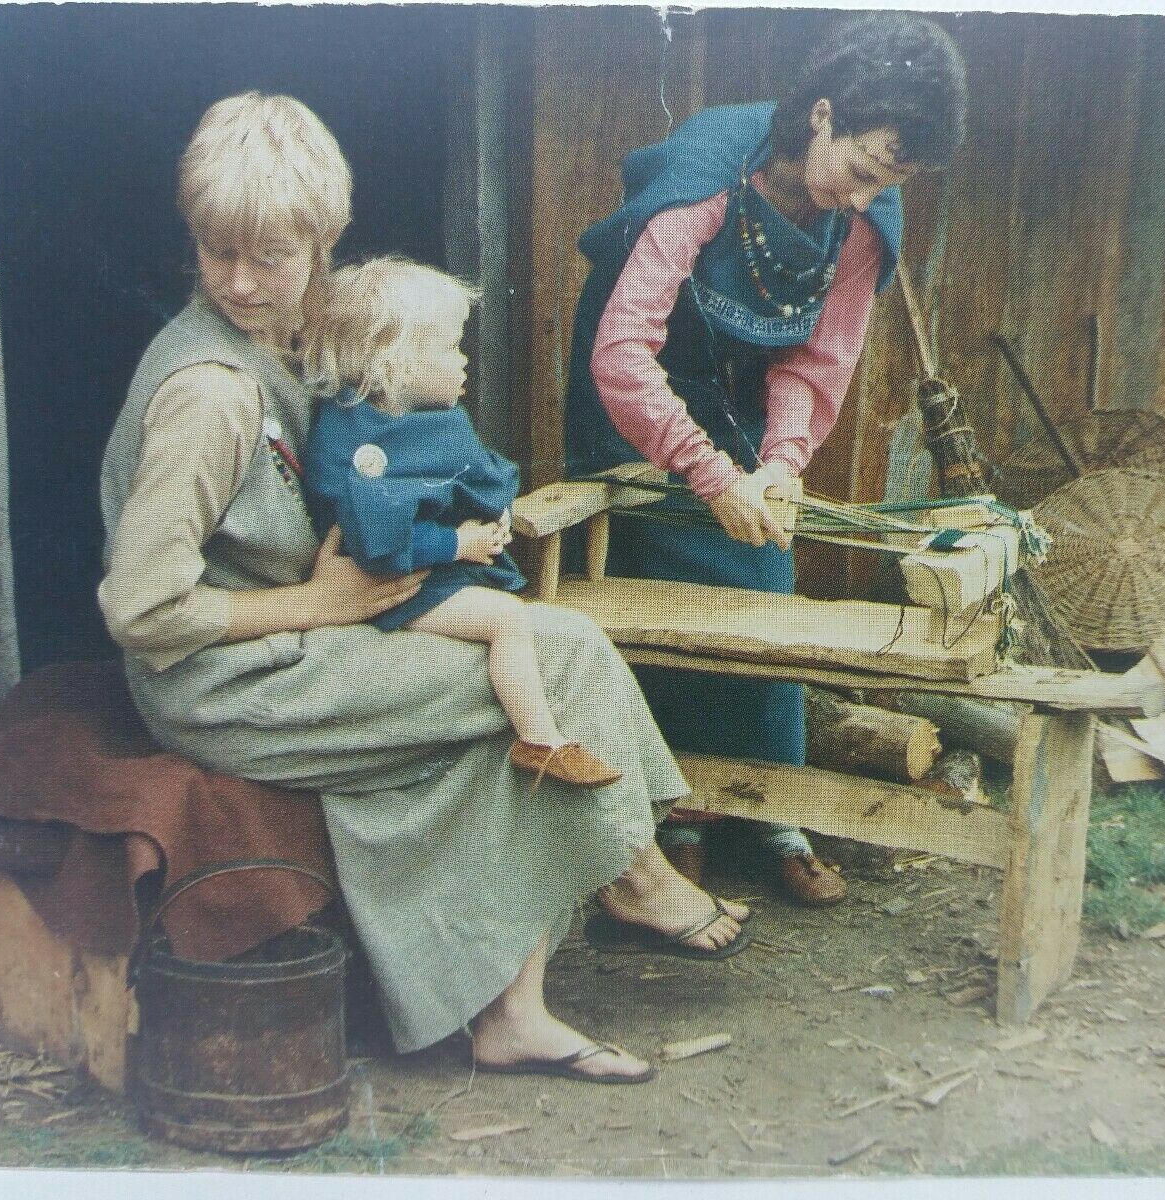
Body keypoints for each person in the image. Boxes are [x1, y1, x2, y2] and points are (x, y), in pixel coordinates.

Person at [98, 92, 749, 1086]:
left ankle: (515, 1002)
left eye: (268, 257)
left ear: (324, 241)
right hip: (227, 679)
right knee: (557, 656)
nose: (237, 282)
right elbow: (141, 612)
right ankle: (629, 872)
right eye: (214, 252)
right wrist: (318, 606)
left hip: (309, 642)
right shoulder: (209, 393)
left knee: (530, 657)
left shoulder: (289, 334)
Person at [564, 13, 969, 905]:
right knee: (662, 584)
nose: (866, 198)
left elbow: (821, 359)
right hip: (635, 388)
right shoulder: (707, 175)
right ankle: (681, 818)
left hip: (737, 390)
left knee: (765, 562)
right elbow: (623, 354)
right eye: (863, 170)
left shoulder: (865, 220)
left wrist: (781, 462)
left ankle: (776, 810)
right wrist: (709, 475)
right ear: (821, 115)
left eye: (890, 181)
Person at [301, 258, 621, 789]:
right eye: (450, 347)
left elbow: (465, 481)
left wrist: (486, 523)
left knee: (539, 628)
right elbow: (375, 538)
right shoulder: (356, 444)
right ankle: (541, 743)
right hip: (385, 586)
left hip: (429, 573)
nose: (464, 362)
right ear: (394, 358)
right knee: (507, 621)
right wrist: (458, 543)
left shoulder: (425, 420)